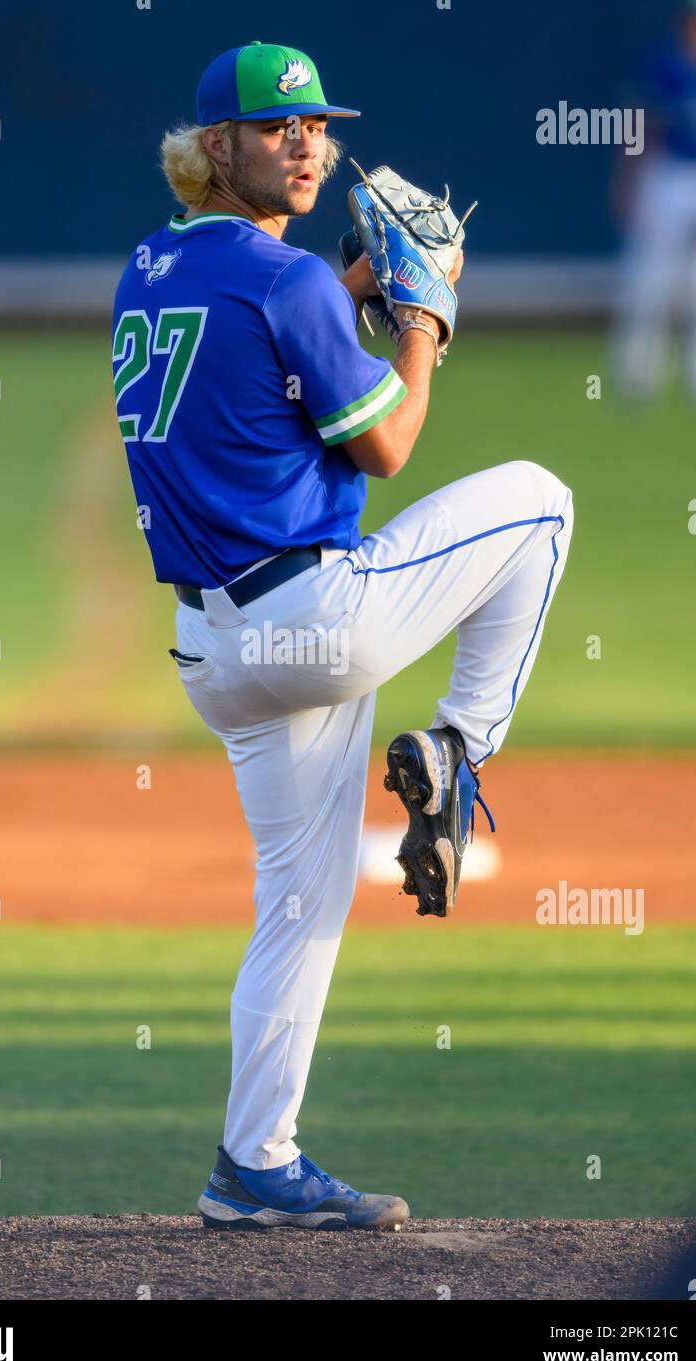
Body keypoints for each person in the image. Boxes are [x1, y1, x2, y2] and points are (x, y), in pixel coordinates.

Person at [111, 40, 573, 1231]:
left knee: (299, 906)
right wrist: (418, 318)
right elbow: (383, 445)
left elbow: (260, 362)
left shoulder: (149, 268)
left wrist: (353, 289)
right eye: (279, 129)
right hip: (316, 622)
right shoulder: (291, 286)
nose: (308, 142)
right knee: (538, 499)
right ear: (218, 148)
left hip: (217, 654)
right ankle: (463, 745)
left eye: (317, 124)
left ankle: (251, 1164)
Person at [613, 1, 696, 404]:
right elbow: (643, 126)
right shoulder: (666, 66)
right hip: (670, 175)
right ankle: (636, 377)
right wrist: (629, 181)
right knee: (651, 280)